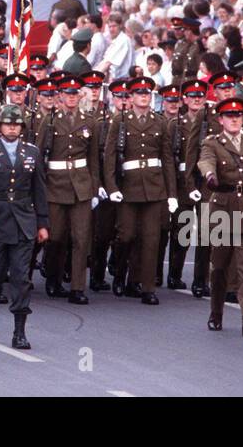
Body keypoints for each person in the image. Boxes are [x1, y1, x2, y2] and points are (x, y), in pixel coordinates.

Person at [0, 104, 49, 350]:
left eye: (16, 124)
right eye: (7, 123)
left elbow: (39, 189)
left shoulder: (32, 152)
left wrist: (43, 223)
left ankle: (19, 332)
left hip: (24, 222)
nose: (12, 127)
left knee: (21, 278)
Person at [102, 77, 177, 304]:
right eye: (139, 93)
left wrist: (171, 193)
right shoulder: (121, 121)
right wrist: (112, 186)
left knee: (151, 239)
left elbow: (167, 159)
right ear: (131, 97)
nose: (144, 96)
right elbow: (110, 156)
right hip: (129, 187)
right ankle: (120, 271)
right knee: (127, 235)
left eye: (147, 93)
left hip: (154, 188)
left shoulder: (160, 122)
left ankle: (146, 287)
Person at [197, 97, 243, 337]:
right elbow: (205, 162)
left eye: (238, 115)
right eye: (229, 116)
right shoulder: (212, 143)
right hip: (223, 209)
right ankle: (216, 312)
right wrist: (210, 177)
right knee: (220, 266)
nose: (234, 119)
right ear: (221, 120)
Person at [35, 76, 101, 303]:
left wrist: (95, 188)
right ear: (60, 95)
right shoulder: (51, 121)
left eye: (75, 93)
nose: (71, 97)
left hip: (81, 185)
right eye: (67, 93)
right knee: (56, 237)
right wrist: (39, 188)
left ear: (80, 95)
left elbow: (93, 159)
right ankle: (53, 279)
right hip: (56, 184)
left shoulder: (89, 121)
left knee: (81, 238)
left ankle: (77, 287)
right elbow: (39, 156)